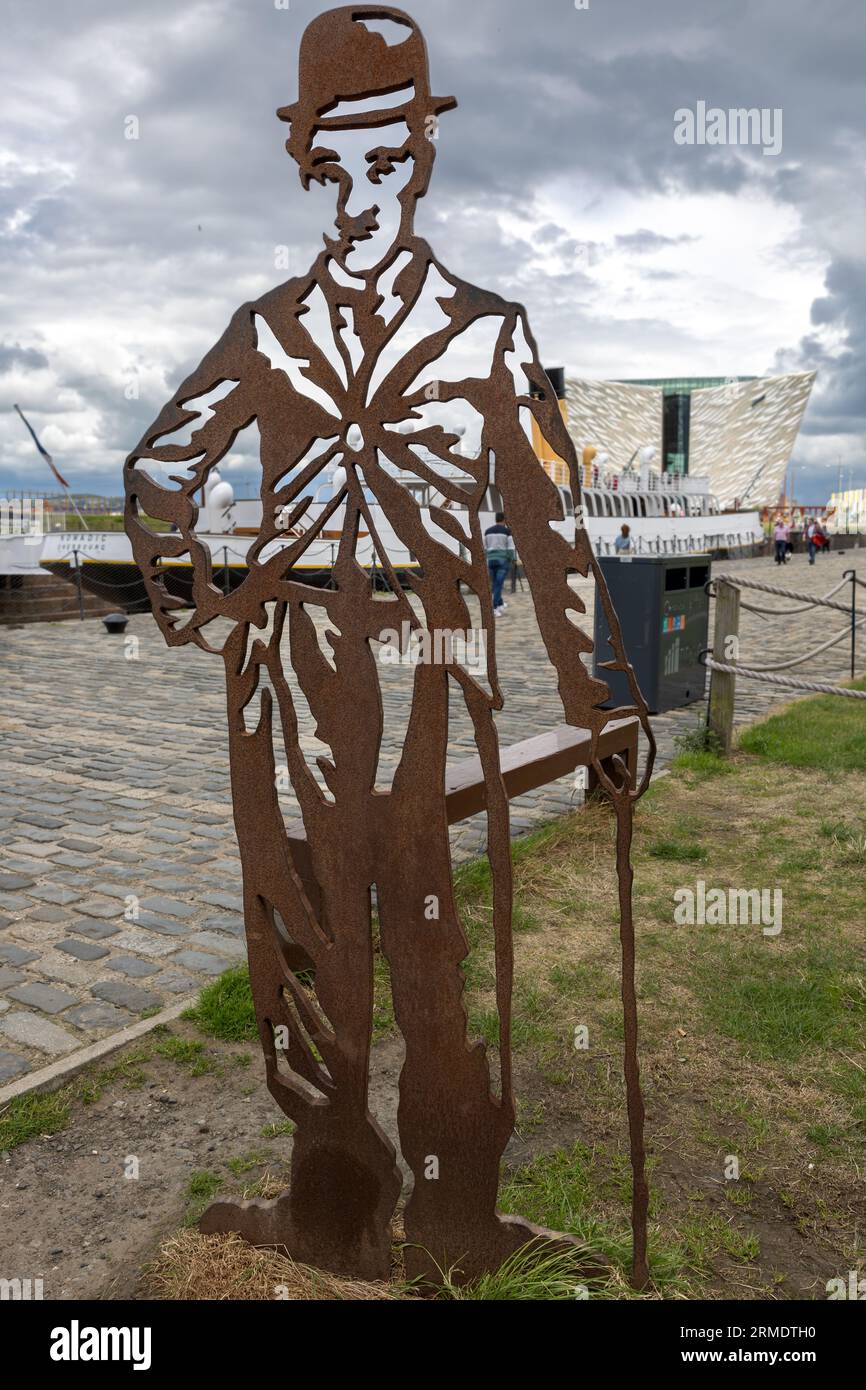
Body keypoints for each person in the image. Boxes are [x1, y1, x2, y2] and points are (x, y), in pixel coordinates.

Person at [124, 3, 653, 1286]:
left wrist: (602, 695)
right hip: (291, 686)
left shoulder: (486, 329)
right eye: (337, 163)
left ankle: (458, 1214)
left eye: (387, 157)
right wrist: (213, 597)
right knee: (306, 940)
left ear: (418, 154)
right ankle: (333, 1208)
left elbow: (550, 527)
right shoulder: (268, 328)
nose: (362, 192)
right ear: (309, 163)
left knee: (427, 943)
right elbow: (155, 472)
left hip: (430, 683)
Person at [484, 511, 514, 615]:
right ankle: (494, 607)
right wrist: (512, 559)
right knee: (498, 585)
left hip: (491, 560)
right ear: (504, 520)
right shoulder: (507, 532)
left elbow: (485, 547)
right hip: (502, 561)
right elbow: (510, 548)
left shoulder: (488, 532)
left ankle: (500, 603)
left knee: (495, 583)